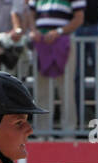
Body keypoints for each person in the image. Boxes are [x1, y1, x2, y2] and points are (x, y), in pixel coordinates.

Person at [27, 0, 84, 135]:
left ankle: (68, 133)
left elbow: (79, 18)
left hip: (64, 42)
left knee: (66, 90)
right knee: (42, 90)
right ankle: (42, 132)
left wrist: (59, 32)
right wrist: (33, 30)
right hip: (41, 43)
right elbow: (30, 13)